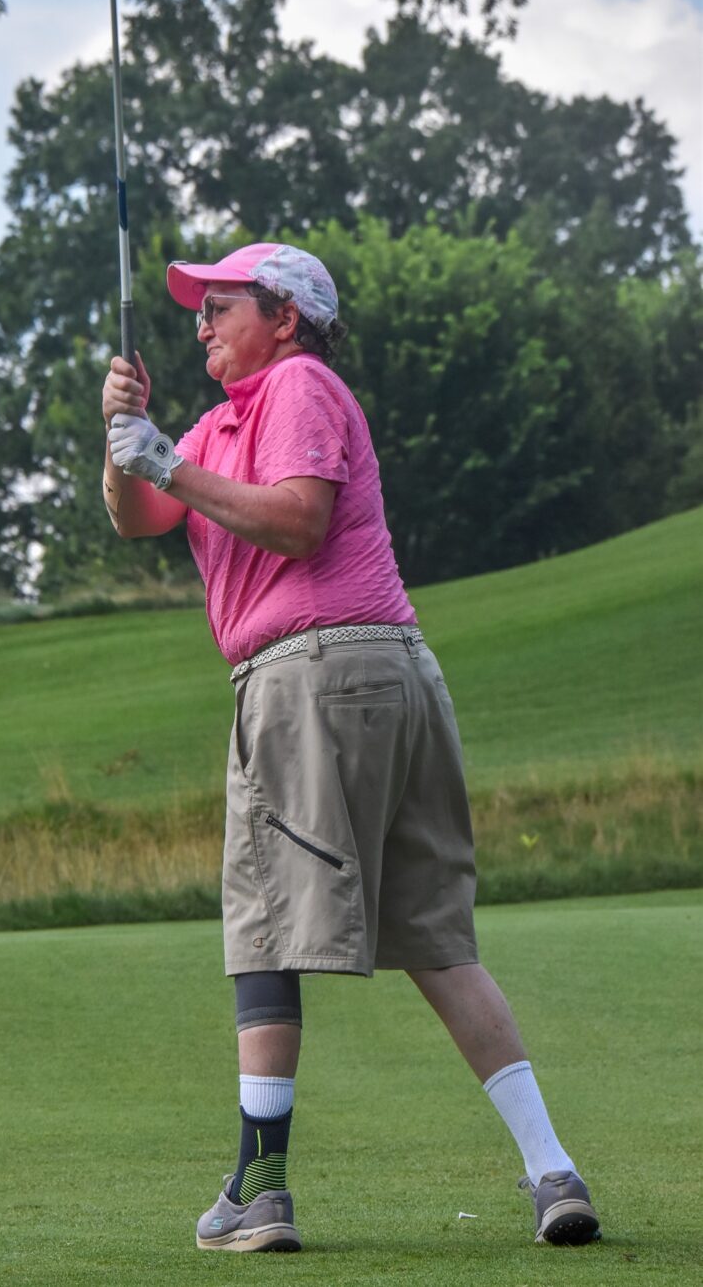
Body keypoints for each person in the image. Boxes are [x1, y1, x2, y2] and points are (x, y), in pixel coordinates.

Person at [100, 242, 600, 1253]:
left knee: (264, 928)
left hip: (308, 674)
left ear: (283, 316)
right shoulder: (224, 418)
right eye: (199, 311)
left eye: (221, 305)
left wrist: (169, 459)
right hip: (385, 671)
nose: (201, 323)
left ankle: (260, 1189)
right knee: (432, 934)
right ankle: (551, 1169)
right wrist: (121, 439)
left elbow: (294, 521)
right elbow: (138, 516)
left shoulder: (295, 383)